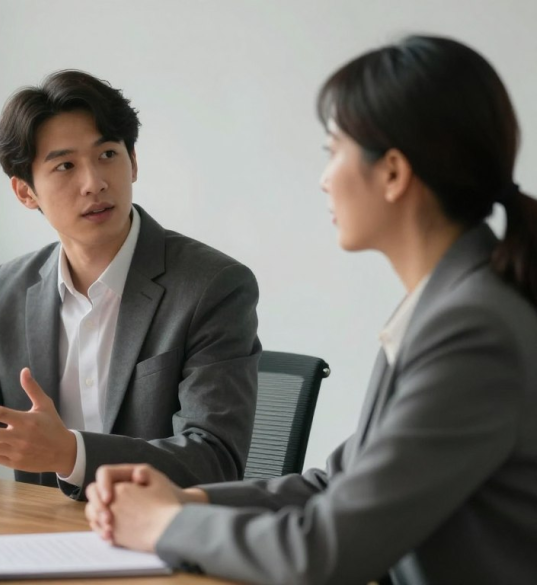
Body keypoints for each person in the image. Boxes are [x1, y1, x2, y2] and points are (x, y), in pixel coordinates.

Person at [85, 35, 537, 584]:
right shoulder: (447, 304)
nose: (324, 178)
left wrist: (162, 526)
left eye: (333, 152)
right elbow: (336, 484)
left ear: (393, 173)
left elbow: (326, 551)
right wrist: (186, 499)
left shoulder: (471, 327)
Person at [0, 70, 262, 500]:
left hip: (156, 541)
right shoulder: (12, 287)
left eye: (108, 155)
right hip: (41, 537)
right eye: (65, 166)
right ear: (25, 192)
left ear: (134, 162)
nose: (93, 182)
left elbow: (214, 459)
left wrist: (71, 455)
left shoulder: (213, 285)